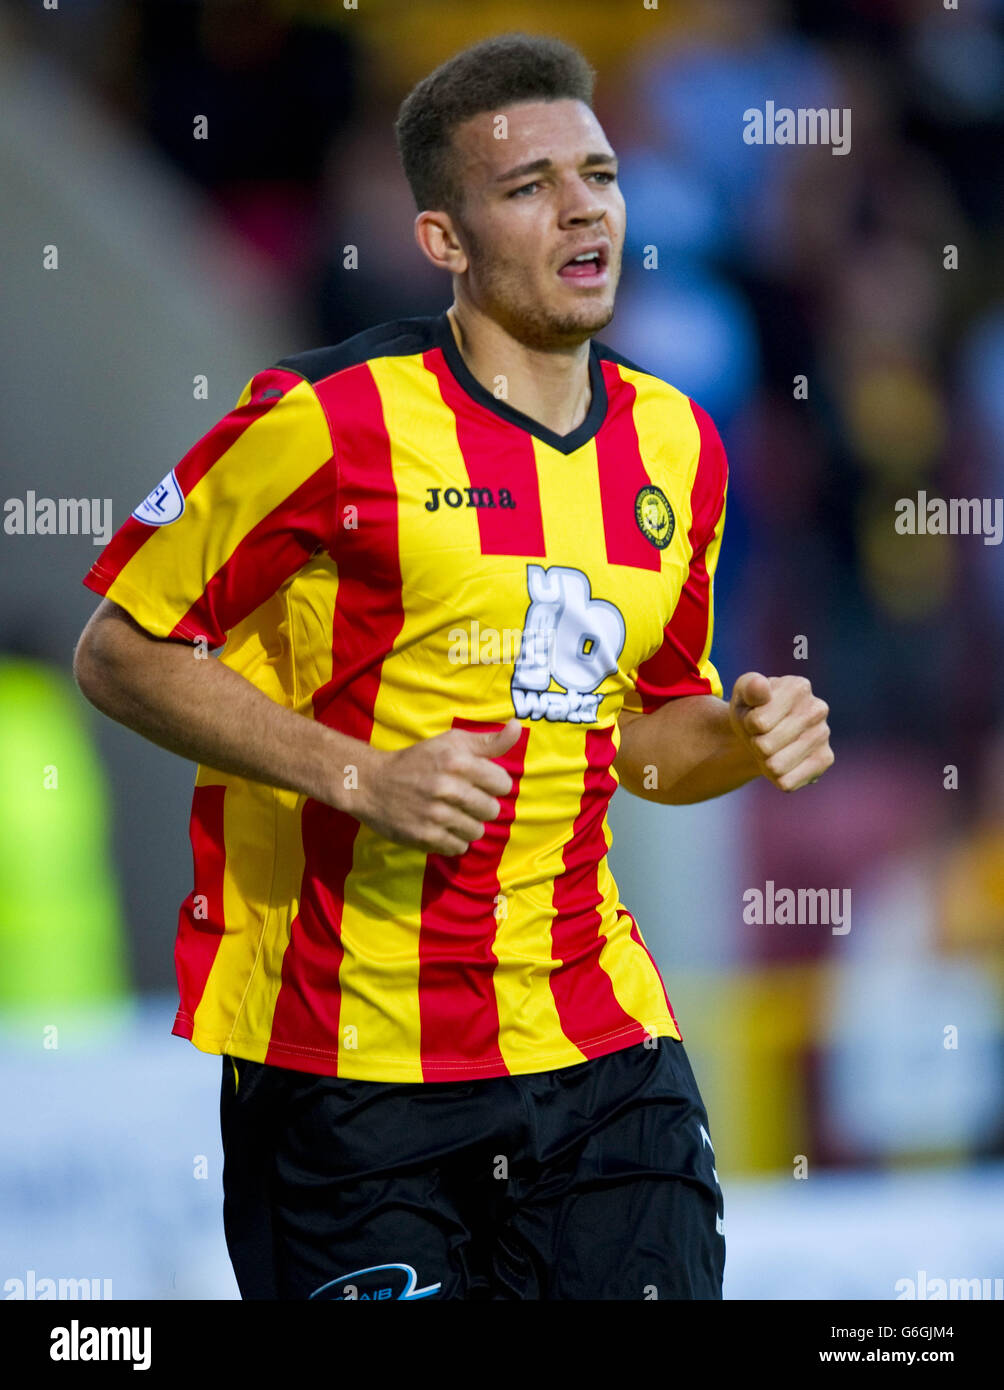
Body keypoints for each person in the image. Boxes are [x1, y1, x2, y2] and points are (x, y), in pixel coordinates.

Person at [73, 32, 833, 1301]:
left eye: (596, 172)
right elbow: (120, 651)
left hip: (597, 1046)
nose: (581, 204)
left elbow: (643, 737)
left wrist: (740, 737)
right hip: (347, 1064)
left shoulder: (674, 443)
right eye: (527, 186)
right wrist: (360, 777)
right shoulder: (322, 419)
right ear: (444, 240)